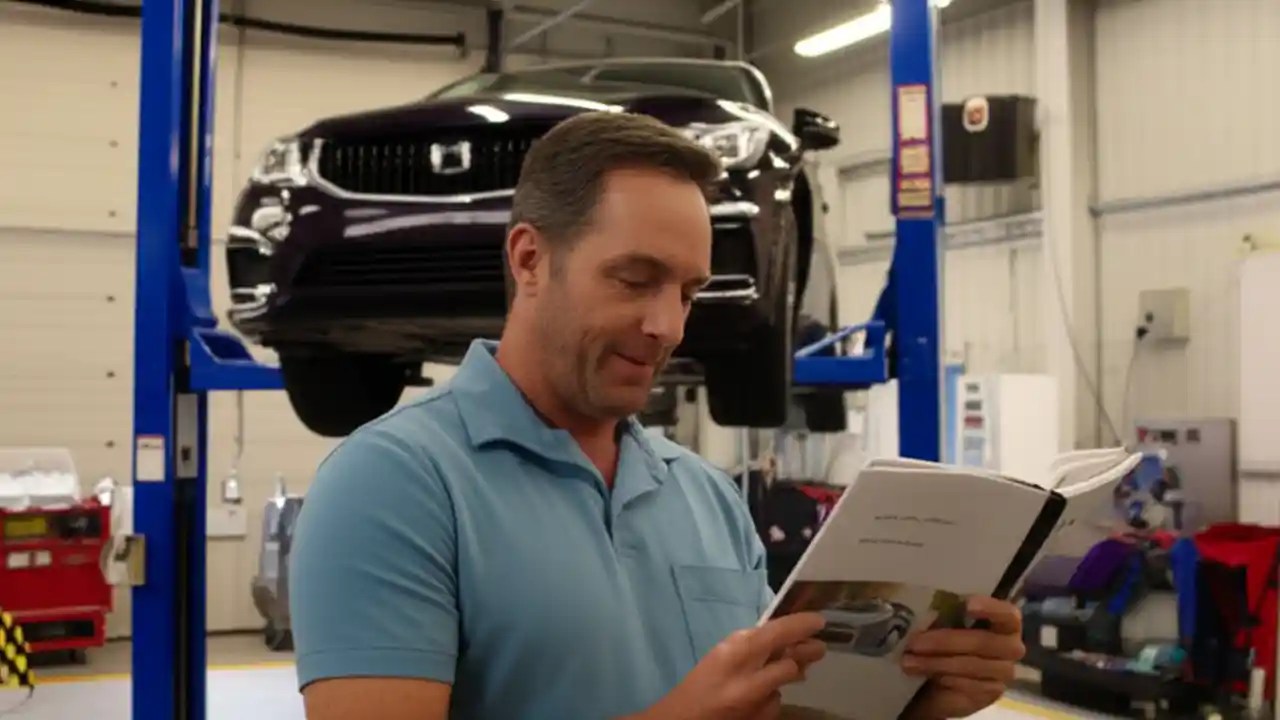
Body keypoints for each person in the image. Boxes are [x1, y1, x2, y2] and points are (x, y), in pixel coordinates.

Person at [288, 111, 1026, 720]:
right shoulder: (392, 485)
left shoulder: (704, 496)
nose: (667, 325)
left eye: (688, 292)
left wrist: (913, 698)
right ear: (529, 259)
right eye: (634, 280)